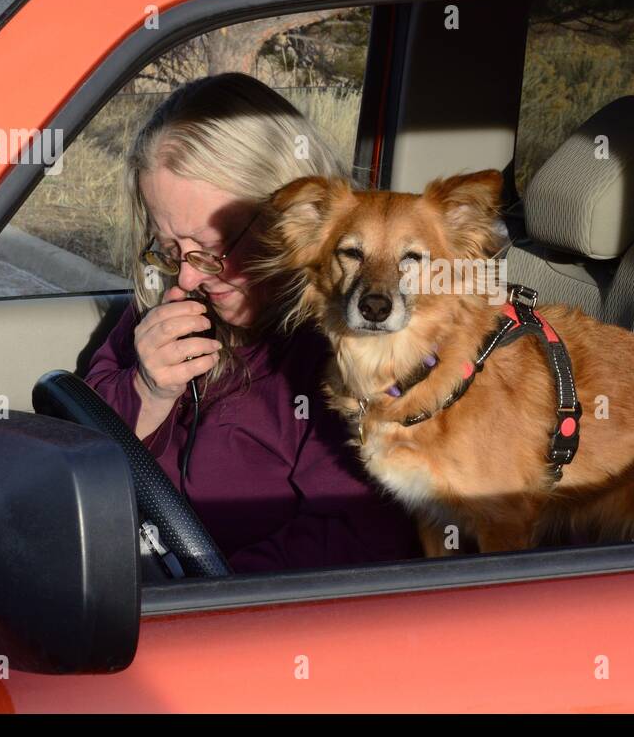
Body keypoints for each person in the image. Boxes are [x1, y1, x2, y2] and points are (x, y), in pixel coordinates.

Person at [84, 72, 421, 571]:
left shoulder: (347, 350)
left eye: (216, 247)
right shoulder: (173, 300)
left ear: (292, 215)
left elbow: (360, 539)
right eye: (171, 247)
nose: (192, 274)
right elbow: (80, 432)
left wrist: (211, 597)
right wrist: (147, 395)